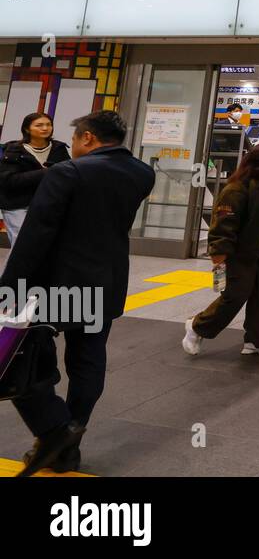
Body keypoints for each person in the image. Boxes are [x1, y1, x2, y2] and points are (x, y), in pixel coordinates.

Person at [0, 110, 154, 476]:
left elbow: (37, 234)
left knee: (30, 360)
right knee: (88, 360)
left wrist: (9, 287)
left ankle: (56, 432)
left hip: (58, 285)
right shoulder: (142, 173)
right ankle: (70, 443)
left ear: (87, 138)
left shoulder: (67, 171)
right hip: (108, 281)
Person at [181, 142, 259, 358]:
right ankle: (197, 326)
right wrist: (218, 252)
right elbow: (224, 222)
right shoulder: (239, 187)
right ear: (257, 159)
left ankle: (256, 340)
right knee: (234, 297)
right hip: (242, 255)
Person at [0, 112, 71, 245]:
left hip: (48, 204)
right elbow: (8, 181)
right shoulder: (14, 150)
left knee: (44, 246)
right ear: (27, 129)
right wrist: (45, 173)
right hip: (18, 204)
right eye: (39, 125)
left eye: (48, 124)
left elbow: (66, 175)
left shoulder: (59, 148)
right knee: (22, 244)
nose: (45, 128)